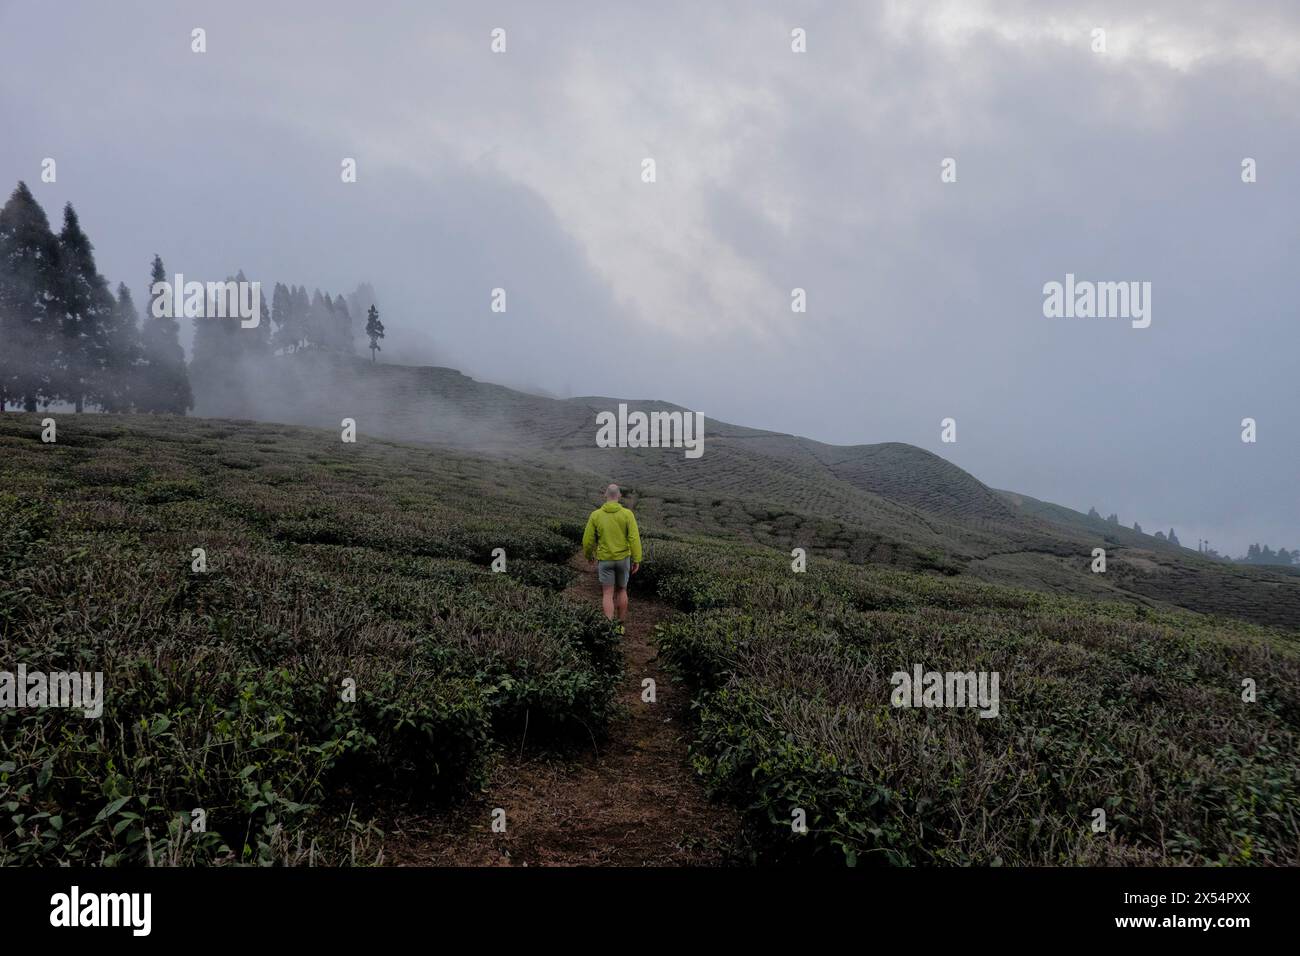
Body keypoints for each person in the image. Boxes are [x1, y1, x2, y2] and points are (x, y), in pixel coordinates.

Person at [581, 484, 642, 622]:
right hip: (623, 559)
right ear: (619, 496)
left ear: (605, 495)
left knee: (607, 594)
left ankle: (608, 628)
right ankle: (620, 625)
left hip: (605, 560)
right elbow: (634, 538)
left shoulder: (596, 515)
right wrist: (637, 559)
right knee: (621, 590)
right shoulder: (627, 514)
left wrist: (589, 555)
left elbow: (587, 540)